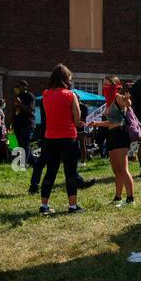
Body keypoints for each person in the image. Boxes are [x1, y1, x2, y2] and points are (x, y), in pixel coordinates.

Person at [37, 64, 84, 216]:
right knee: (70, 172)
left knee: (50, 171)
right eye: (69, 78)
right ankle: (72, 205)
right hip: (68, 137)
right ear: (65, 79)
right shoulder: (71, 95)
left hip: (50, 137)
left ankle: (44, 206)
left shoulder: (45, 94)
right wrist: (79, 122)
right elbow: (77, 119)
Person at [97, 88, 136, 206]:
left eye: (108, 83)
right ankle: (118, 197)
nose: (105, 86)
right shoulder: (108, 102)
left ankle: (130, 199)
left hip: (120, 134)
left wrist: (128, 99)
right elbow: (110, 122)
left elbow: (127, 104)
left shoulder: (118, 97)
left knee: (123, 168)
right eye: (104, 83)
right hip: (111, 135)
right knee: (116, 170)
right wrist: (94, 123)